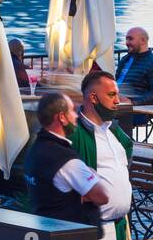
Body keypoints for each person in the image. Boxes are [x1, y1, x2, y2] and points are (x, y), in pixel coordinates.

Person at [25, 91, 108, 229]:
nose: (76, 116)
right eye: (72, 111)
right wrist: (92, 174)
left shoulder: (34, 149)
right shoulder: (66, 160)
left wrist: (79, 193)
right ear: (62, 117)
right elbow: (102, 197)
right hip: (73, 239)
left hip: (45, 231)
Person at [70, 69, 133, 240]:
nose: (117, 101)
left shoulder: (115, 132)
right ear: (93, 98)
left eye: (117, 95)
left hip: (121, 227)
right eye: (111, 95)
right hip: (94, 232)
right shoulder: (74, 135)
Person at [113, 27, 153, 106]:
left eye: (130, 39)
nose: (127, 42)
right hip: (117, 102)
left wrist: (133, 102)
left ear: (143, 40)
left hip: (135, 109)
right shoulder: (125, 59)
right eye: (126, 39)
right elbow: (116, 80)